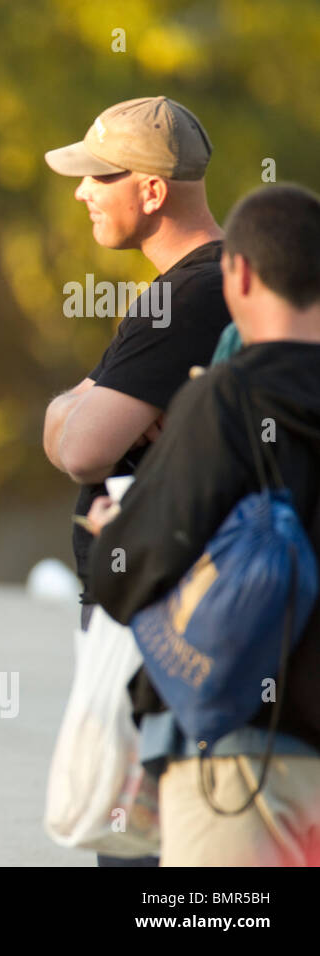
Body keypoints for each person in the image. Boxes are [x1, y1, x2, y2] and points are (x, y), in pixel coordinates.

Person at [86, 184, 320, 866]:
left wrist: (110, 536)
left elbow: (130, 572)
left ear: (239, 275)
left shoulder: (226, 396)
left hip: (239, 747)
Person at [39, 96, 231, 866]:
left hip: (158, 615)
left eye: (98, 176)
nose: (81, 191)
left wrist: (76, 406)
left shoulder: (185, 295)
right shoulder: (218, 281)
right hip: (175, 606)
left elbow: (82, 449)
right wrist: (82, 404)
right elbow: (83, 420)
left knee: (139, 846)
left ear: (152, 190)